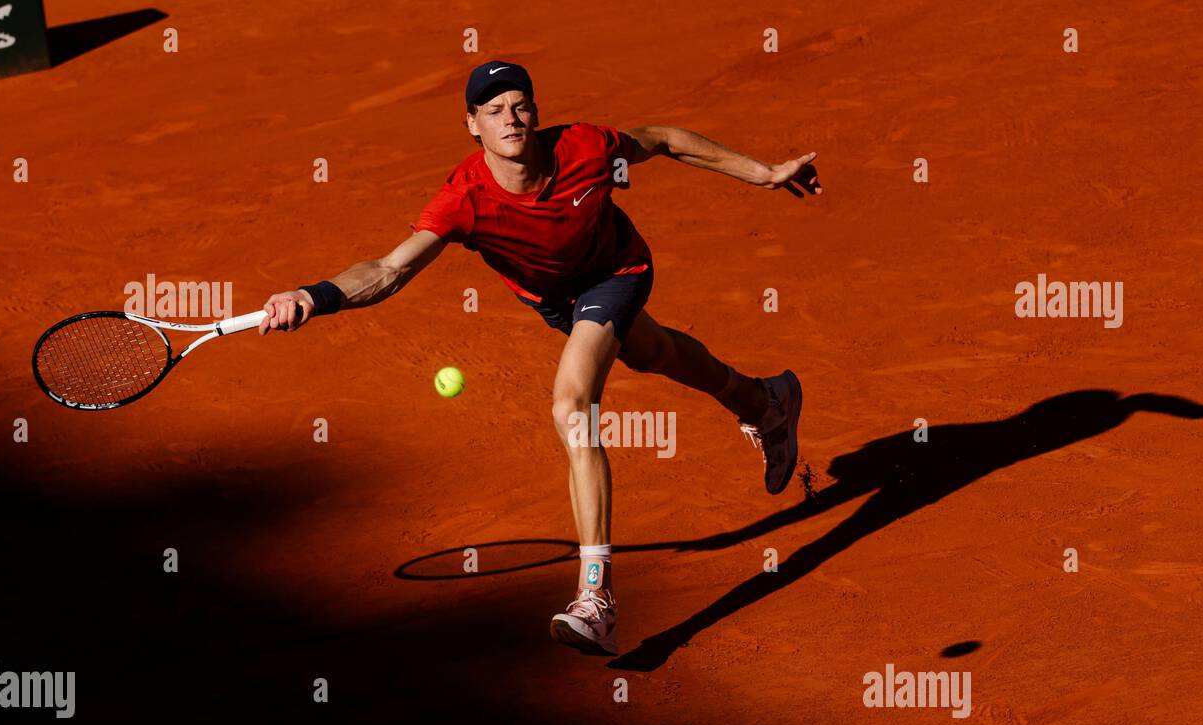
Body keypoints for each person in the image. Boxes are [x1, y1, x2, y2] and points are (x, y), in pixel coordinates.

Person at [260, 60, 821, 655]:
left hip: (617, 272)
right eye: (495, 109)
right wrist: (311, 296)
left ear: (536, 112)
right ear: (472, 124)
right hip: (555, 299)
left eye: (521, 104)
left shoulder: (585, 147)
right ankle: (765, 400)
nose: (512, 118)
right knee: (652, 351)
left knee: (571, 406)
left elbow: (664, 140)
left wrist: (764, 174)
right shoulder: (465, 198)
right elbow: (389, 270)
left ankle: (597, 600)